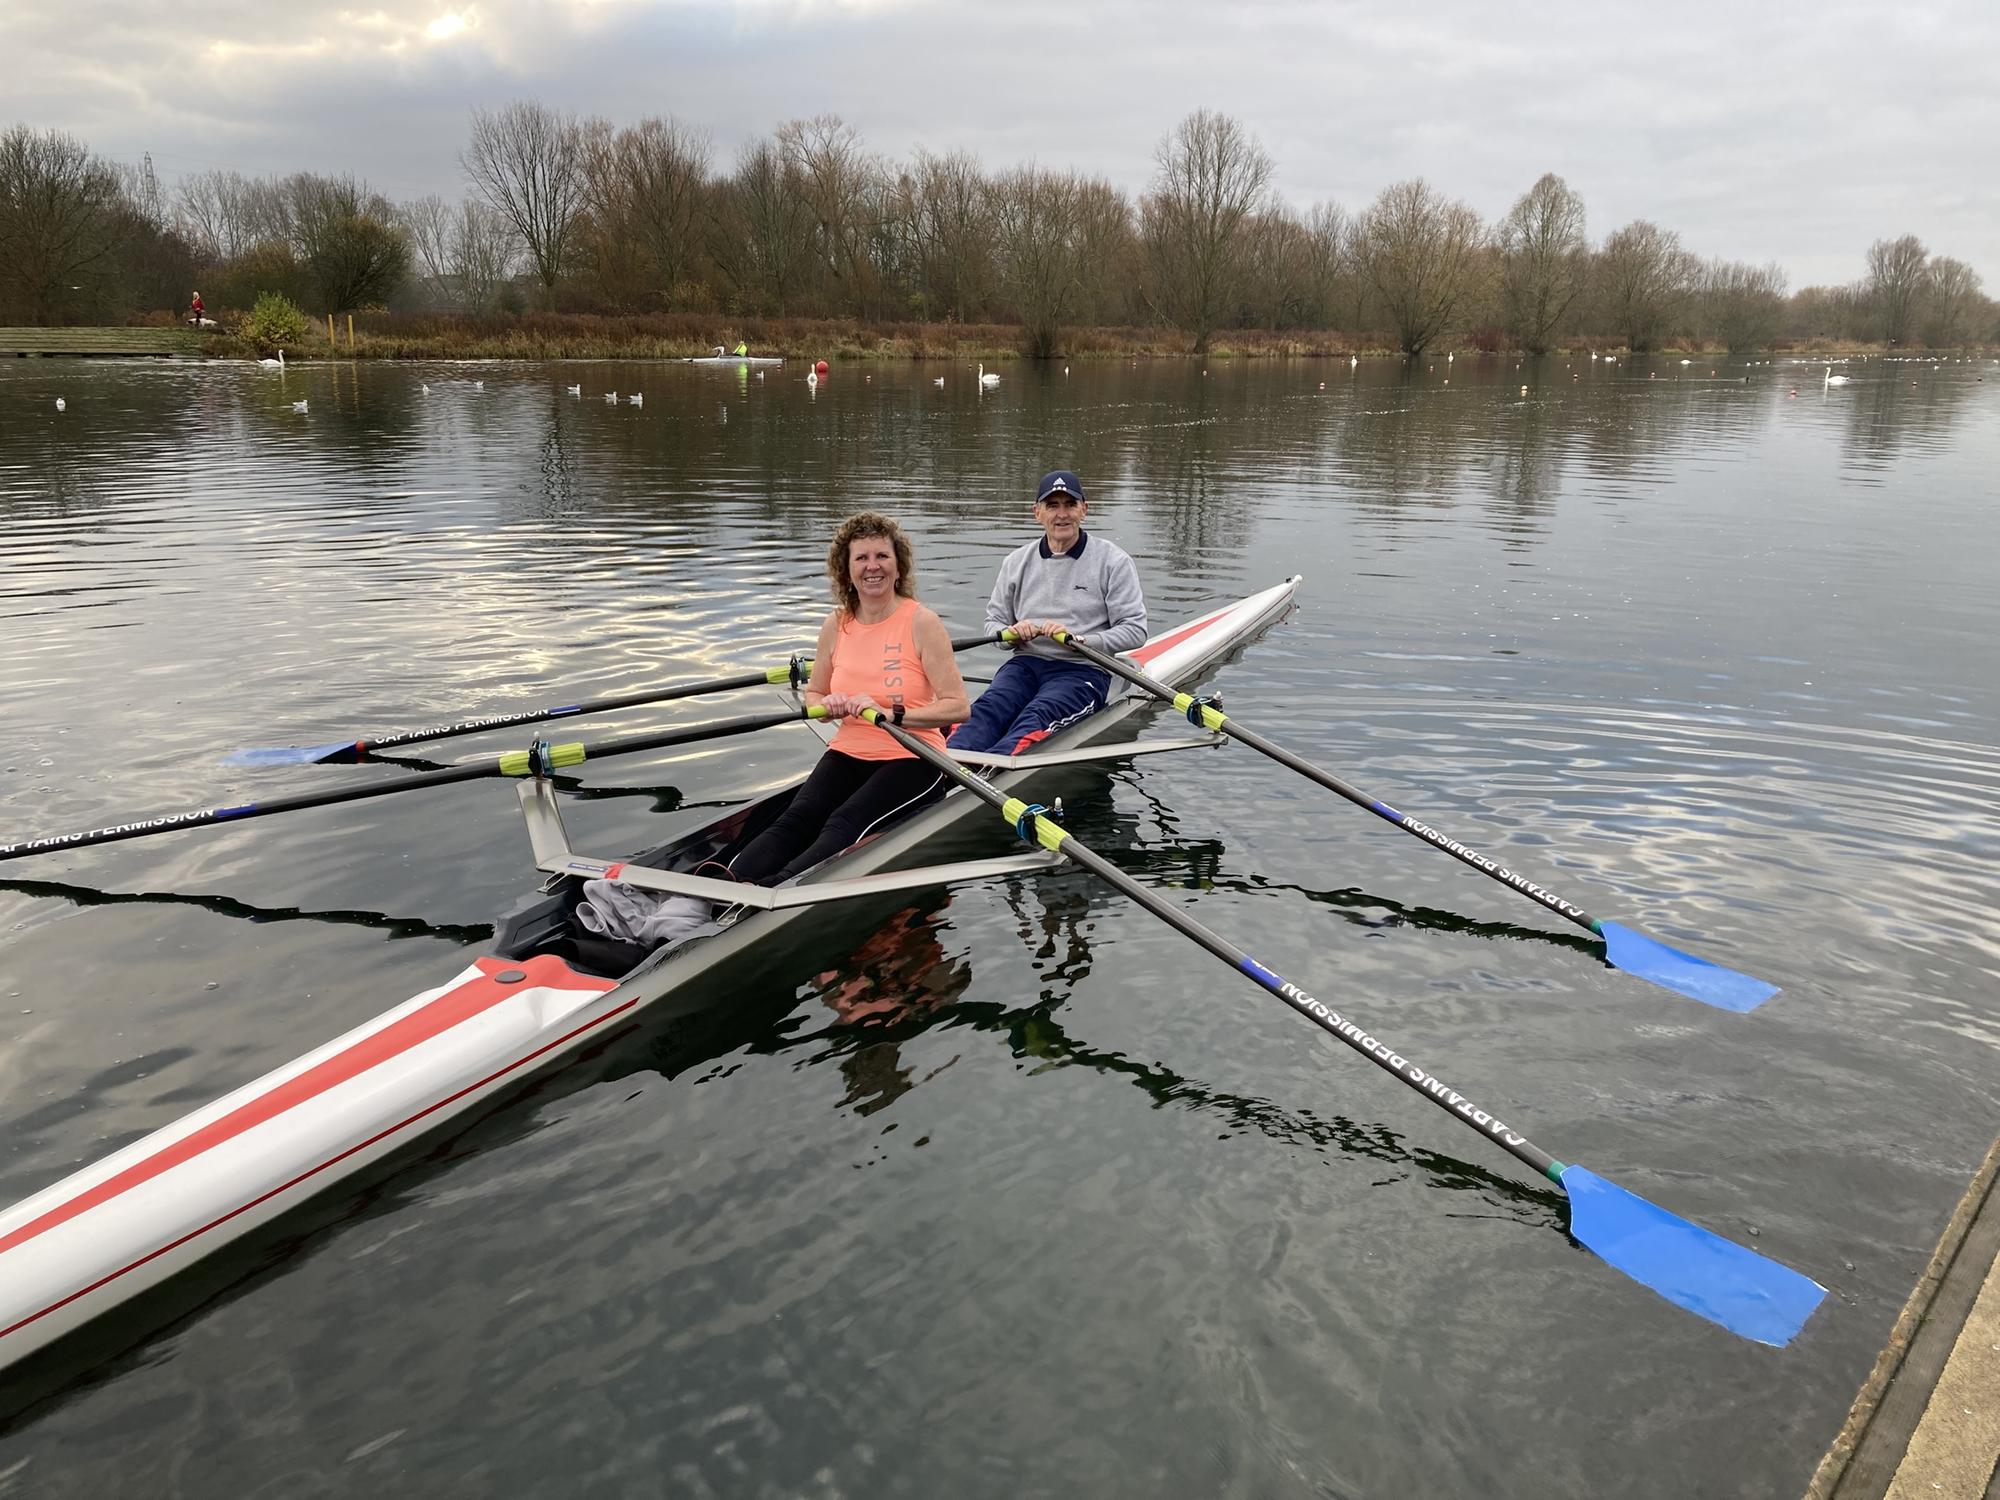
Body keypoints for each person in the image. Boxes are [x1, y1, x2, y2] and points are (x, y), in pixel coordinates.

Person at [723, 510, 969, 885]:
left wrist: (889, 713)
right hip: (849, 749)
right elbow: (816, 694)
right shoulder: (836, 624)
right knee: (796, 817)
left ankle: (774, 896)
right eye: (862, 558)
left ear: (898, 567)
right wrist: (829, 703)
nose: (874, 567)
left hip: (914, 755)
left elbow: (958, 707)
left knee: (844, 820)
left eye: (882, 556)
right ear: (847, 571)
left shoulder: (922, 622)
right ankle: (714, 888)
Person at [947, 470, 1146, 756]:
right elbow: (994, 624)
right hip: (1024, 665)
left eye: (1070, 504)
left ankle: (988, 773)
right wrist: (1011, 636)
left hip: (1082, 670)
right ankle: (946, 767)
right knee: (985, 712)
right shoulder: (1016, 562)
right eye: (1053, 505)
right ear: (1037, 513)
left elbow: (1135, 630)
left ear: (1084, 510)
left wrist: (1082, 640)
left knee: (1035, 718)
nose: (1062, 514)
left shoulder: (1113, 561)